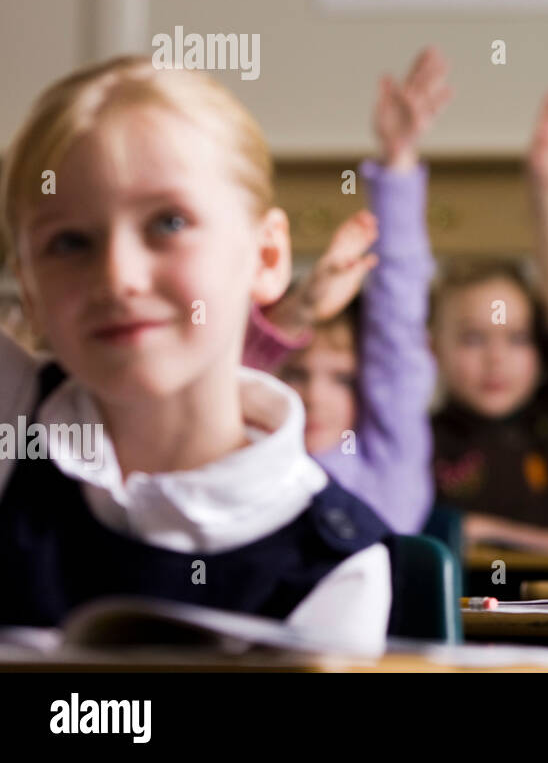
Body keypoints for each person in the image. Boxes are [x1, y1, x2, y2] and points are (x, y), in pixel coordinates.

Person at [0, 57, 392, 651]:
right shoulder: (13, 420)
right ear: (28, 288)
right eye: (69, 242)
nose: (118, 277)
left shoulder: (335, 562)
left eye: (169, 222)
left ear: (265, 258)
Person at [247, 47, 447, 535]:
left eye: (341, 378)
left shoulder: (387, 460)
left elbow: (398, 319)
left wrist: (398, 163)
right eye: (296, 373)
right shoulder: (247, 462)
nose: (315, 396)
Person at [431, 89, 548, 551]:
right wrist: (521, 540)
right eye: (473, 339)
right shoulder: (420, 439)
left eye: (516, 339)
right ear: (433, 348)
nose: (496, 359)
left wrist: (547, 191)